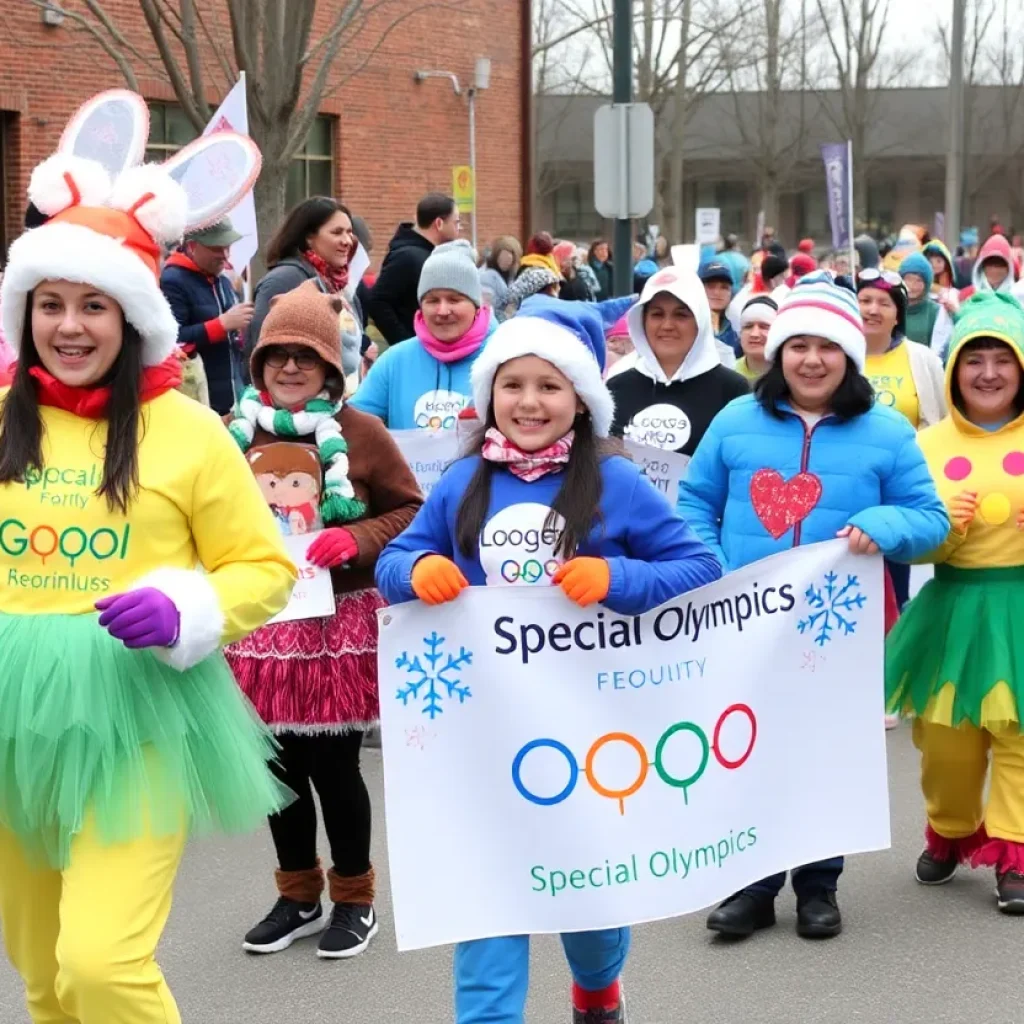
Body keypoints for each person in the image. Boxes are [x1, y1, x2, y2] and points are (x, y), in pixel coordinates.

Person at [0, 101, 296, 1024]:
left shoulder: (188, 431)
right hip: (13, 720)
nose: (71, 326)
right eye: (51, 304)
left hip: (140, 719)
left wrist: (184, 611)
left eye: (93, 305)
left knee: (100, 966)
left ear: (130, 318)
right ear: (26, 312)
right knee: (45, 979)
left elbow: (263, 568)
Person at [375, 297, 722, 1024]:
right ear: (489, 395)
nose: (529, 403)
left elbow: (698, 568)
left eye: (549, 386)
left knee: (589, 902)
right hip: (479, 734)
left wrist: (618, 580)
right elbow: (398, 558)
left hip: (589, 736)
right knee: (486, 902)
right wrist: (415, 570)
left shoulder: (615, 482)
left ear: (580, 400)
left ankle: (598, 993)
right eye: (512, 385)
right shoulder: (462, 482)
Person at [679, 273, 949, 940]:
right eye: (797, 345)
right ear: (778, 352)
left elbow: (930, 520)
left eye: (826, 347)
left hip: (839, 630)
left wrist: (884, 524)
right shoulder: (736, 419)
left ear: (849, 355)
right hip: (745, 623)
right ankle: (752, 884)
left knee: (822, 754)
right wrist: (718, 570)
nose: (811, 359)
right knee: (750, 749)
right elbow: (693, 505)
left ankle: (818, 885)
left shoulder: (886, 431)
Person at [224, 283, 421, 958]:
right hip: (261, 623)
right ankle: (297, 894)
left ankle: (355, 898)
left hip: (336, 624)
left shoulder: (361, 432)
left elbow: (408, 510)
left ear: (331, 368)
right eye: (275, 355)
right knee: (276, 767)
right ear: (258, 364)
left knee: (336, 768)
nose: (287, 368)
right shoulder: (234, 430)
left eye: (304, 358)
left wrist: (356, 540)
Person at [886, 292, 1024, 914]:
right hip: (952, 610)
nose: (989, 373)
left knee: (1020, 739)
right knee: (947, 743)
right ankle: (950, 825)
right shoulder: (927, 444)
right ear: (953, 370)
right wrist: (948, 531)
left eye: (1003, 358)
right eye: (974, 360)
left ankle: (1016, 851)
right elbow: (909, 546)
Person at [857, 268, 946, 610]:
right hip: (851, 490)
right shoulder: (838, 357)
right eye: (865, 300)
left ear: (898, 314)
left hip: (900, 496)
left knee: (894, 596)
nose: (873, 309)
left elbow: (941, 423)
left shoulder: (922, 360)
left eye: (884, 303)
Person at [608, 265, 748, 458]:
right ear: (642, 320)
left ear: (700, 320)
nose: (667, 325)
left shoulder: (733, 391)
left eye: (681, 315)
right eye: (657, 314)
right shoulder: (616, 386)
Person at [351, 240, 495, 427]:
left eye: (454, 299)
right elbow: (354, 426)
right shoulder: (395, 361)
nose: (442, 311)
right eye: (432, 300)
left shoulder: (502, 356)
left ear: (476, 305)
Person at [248, 197, 363, 381]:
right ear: (309, 238)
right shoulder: (285, 280)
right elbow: (260, 349)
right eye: (337, 232)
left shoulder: (341, 287)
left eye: (349, 232)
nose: (347, 241)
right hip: (298, 403)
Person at [160, 216, 251, 413]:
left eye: (228, 247)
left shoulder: (223, 281)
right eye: (217, 248)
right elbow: (172, 341)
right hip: (198, 400)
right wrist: (221, 325)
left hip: (232, 393)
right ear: (192, 246)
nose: (225, 255)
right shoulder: (171, 281)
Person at [365, 193, 459, 345]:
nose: (458, 229)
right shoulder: (408, 257)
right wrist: (405, 342)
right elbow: (377, 301)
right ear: (439, 224)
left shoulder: (426, 254)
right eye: (456, 223)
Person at [700, 260, 741, 356]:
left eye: (724, 287)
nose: (717, 292)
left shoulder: (738, 328)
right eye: (711, 286)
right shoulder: (689, 326)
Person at [960, 233, 1017, 301]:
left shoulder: (1017, 297)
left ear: (1009, 268)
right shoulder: (966, 296)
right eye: (990, 263)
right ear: (981, 266)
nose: (995, 269)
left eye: (1000, 264)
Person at [900, 251, 940, 347]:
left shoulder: (935, 312)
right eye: (908, 279)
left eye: (919, 280)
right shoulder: (894, 307)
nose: (912, 286)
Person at [734, 295, 777, 382]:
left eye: (764, 327)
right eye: (748, 326)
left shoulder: (790, 374)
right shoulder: (728, 372)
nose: (754, 334)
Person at [479, 235, 522, 312]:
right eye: (503, 258)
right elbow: (486, 309)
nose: (506, 262)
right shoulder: (486, 276)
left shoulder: (512, 275)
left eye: (509, 260)